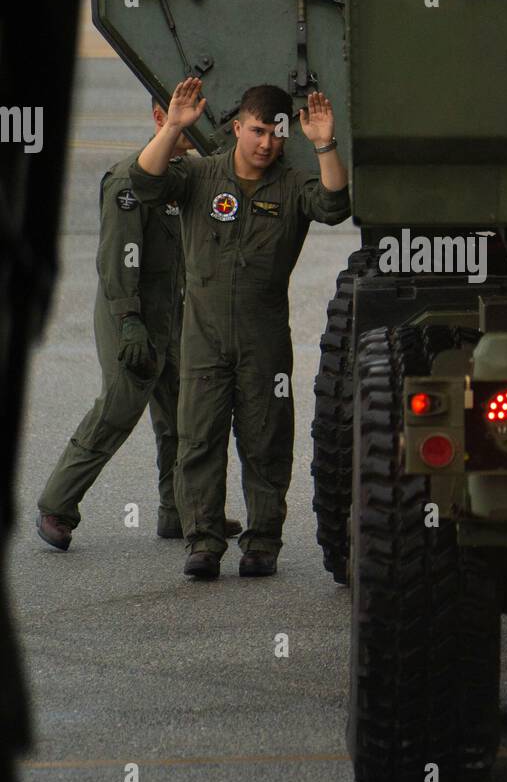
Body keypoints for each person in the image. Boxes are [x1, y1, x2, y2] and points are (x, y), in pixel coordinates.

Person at [128, 79, 351, 580]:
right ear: (236, 128)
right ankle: (203, 542)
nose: (267, 143)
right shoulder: (201, 174)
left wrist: (324, 143)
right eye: (257, 131)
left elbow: (335, 207)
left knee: (266, 439)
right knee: (199, 440)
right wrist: (176, 129)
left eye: (276, 134)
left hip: (264, 339)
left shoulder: (292, 185)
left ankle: (262, 542)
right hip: (202, 338)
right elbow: (144, 182)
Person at [36, 100, 241, 550]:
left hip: (172, 316)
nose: (198, 130)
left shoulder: (187, 176)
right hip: (128, 314)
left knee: (183, 416)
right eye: (186, 121)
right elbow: (117, 260)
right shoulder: (130, 180)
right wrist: (130, 320)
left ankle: (180, 512)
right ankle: (56, 505)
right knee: (118, 408)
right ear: (158, 118)